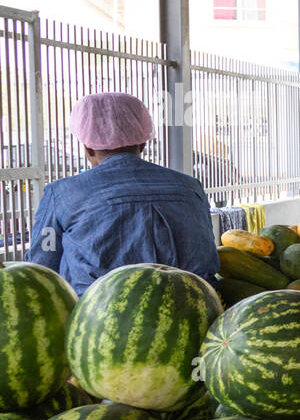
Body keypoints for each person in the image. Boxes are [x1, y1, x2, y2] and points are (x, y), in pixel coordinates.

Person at [26, 93, 219, 295]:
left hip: (97, 317)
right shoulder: (190, 187)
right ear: (143, 143)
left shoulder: (60, 194)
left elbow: (42, 266)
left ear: (88, 148)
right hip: (197, 308)